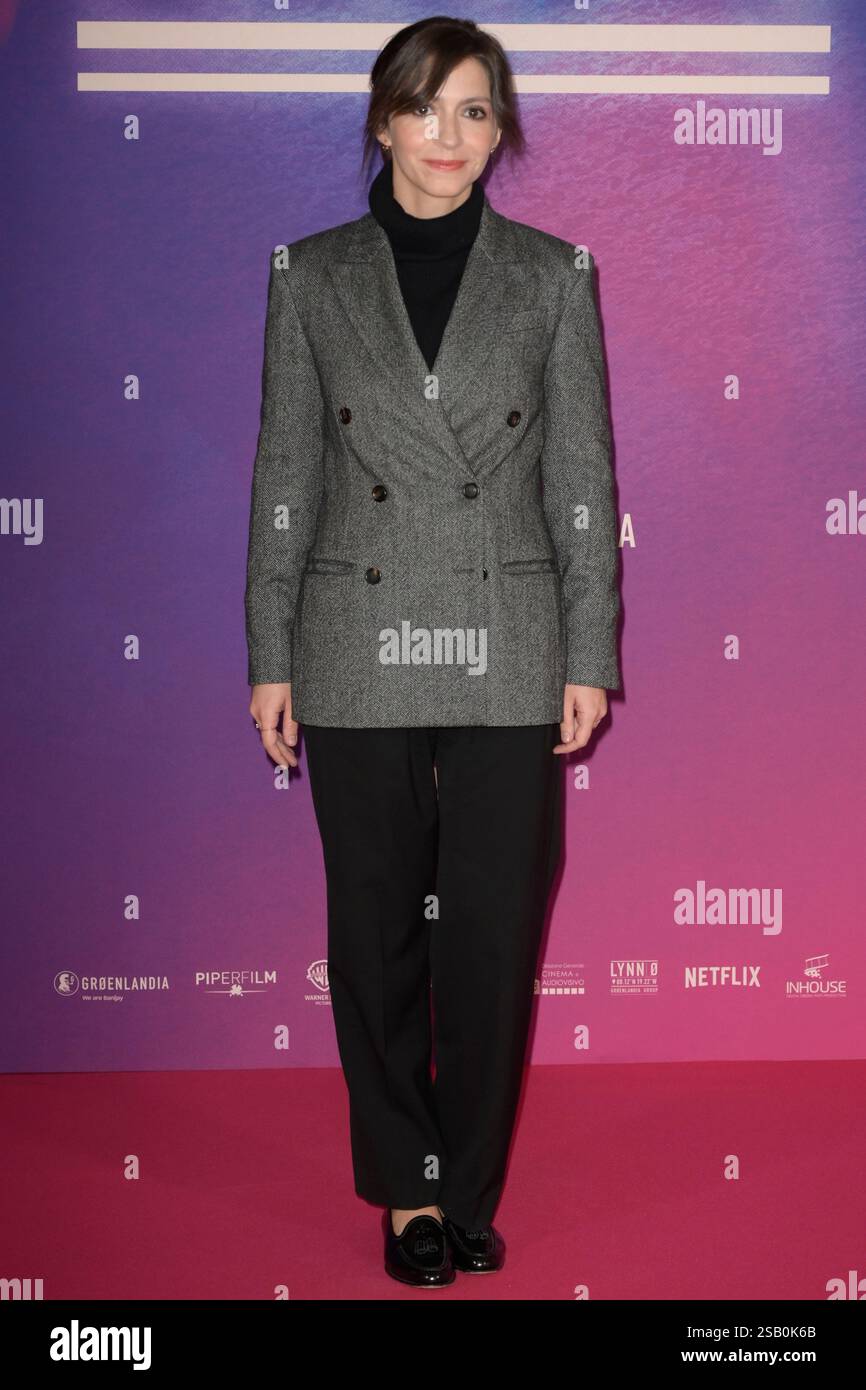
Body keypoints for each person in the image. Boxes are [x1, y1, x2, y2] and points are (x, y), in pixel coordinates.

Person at [245, 15, 621, 1288]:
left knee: (490, 933)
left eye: (475, 111)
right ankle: (405, 1191)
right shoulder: (310, 274)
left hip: (508, 635)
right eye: (425, 108)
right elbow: (283, 479)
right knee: (373, 933)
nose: (448, 136)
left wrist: (589, 649)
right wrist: (270, 652)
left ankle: (467, 1185)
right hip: (354, 631)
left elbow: (579, 481)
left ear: (498, 128)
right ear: (382, 119)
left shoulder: (554, 274)